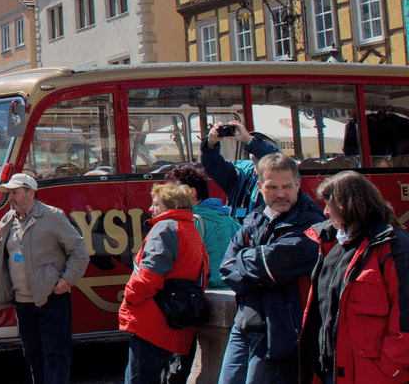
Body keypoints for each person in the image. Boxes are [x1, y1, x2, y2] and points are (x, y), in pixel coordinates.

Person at [219, 152, 324, 384]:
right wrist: (260, 271)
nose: (280, 194)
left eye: (287, 186)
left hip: (282, 332)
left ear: (298, 184)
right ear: (259, 187)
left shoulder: (312, 221)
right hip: (245, 323)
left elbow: (270, 266)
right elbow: (226, 268)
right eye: (272, 187)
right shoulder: (255, 218)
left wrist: (248, 264)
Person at [301, 171, 409, 384]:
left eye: (329, 205)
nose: (325, 212)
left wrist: (389, 371)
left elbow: (405, 318)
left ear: (347, 205)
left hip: (372, 375)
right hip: (331, 371)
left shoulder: (395, 246)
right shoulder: (333, 243)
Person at [0, 173, 89, 384]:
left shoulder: (53, 216)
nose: (10, 198)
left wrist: (67, 280)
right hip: (23, 303)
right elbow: (16, 255)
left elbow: (79, 250)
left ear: (31, 193)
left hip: (52, 299)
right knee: (33, 356)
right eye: (9, 193)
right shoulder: (7, 220)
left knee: (55, 356)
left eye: (15, 193)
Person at [118, 183, 207, 384]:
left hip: (152, 318)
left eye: (156, 204)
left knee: (139, 378)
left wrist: (130, 298)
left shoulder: (166, 227)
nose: (151, 209)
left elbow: (150, 274)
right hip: (175, 318)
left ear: (171, 205)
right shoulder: (191, 228)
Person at [164, 165, 242, 384]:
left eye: (173, 190)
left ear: (191, 193)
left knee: (183, 366)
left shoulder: (193, 221)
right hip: (230, 292)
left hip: (201, 296)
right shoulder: (228, 217)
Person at [201, 121, 280, 220]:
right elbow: (213, 166)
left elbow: (276, 159)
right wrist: (211, 143)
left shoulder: (284, 173)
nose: (255, 146)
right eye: (254, 140)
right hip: (239, 229)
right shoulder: (241, 170)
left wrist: (248, 139)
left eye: (260, 142)